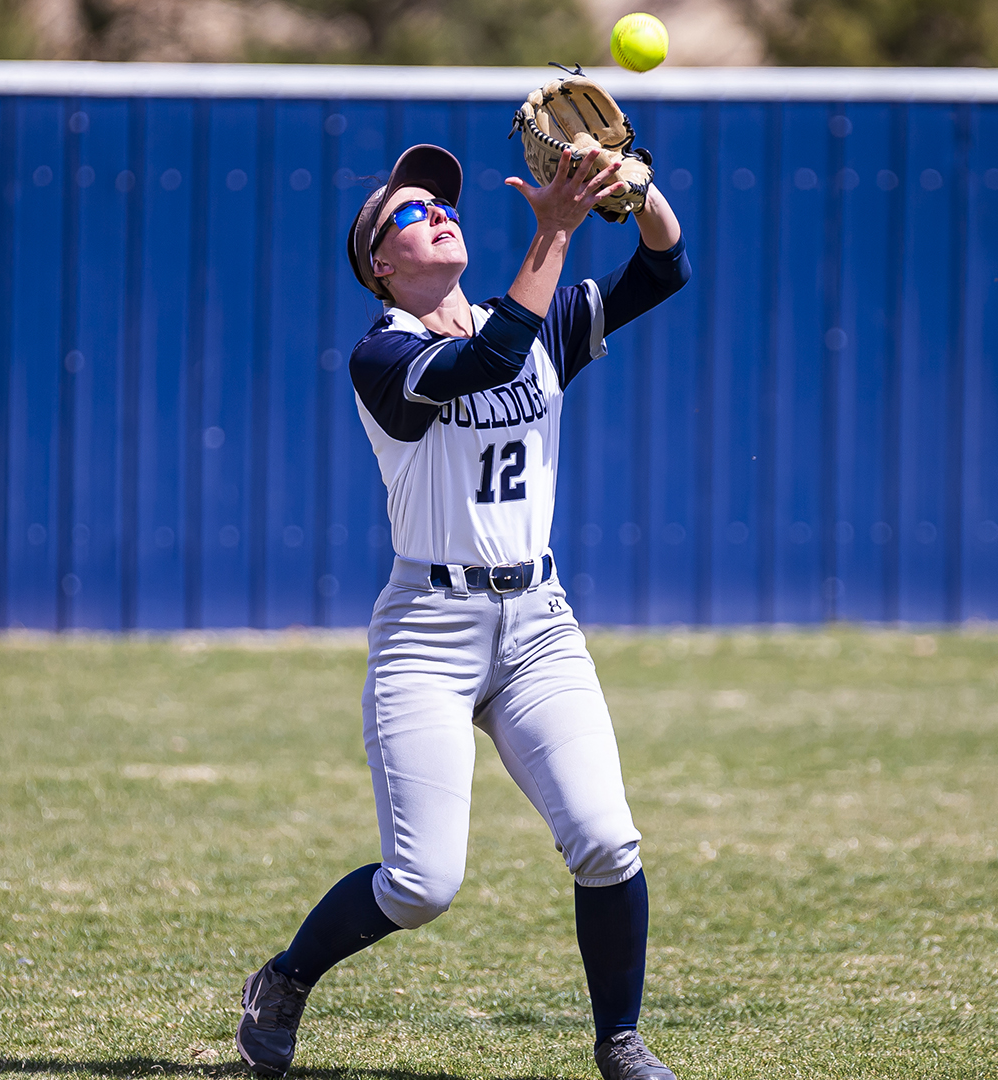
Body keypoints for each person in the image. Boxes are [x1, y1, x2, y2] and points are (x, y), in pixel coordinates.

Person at [233, 140, 690, 1080]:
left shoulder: (542, 321)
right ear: (381, 267)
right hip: (428, 635)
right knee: (422, 884)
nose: (437, 213)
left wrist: (632, 187)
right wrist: (555, 233)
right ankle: (283, 979)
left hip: (537, 624)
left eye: (443, 204)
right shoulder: (383, 353)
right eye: (409, 214)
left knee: (607, 840)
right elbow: (486, 361)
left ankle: (620, 1042)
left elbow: (666, 264)